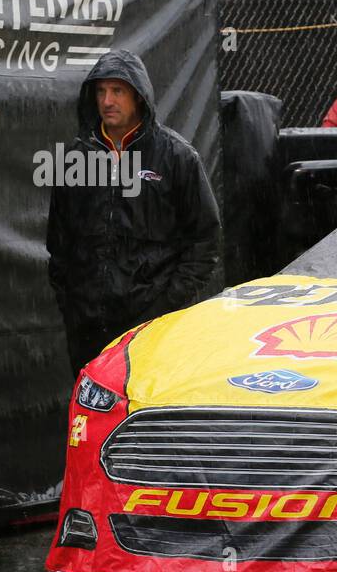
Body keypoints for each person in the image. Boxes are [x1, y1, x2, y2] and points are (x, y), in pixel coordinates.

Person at [47, 49, 221, 378]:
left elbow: (205, 240)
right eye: (101, 91)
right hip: (87, 325)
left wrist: (166, 305)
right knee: (94, 413)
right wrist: (74, 304)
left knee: (144, 411)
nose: (107, 100)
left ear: (138, 96)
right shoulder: (74, 157)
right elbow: (59, 241)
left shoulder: (177, 157)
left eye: (118, 91)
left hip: (151, 326)